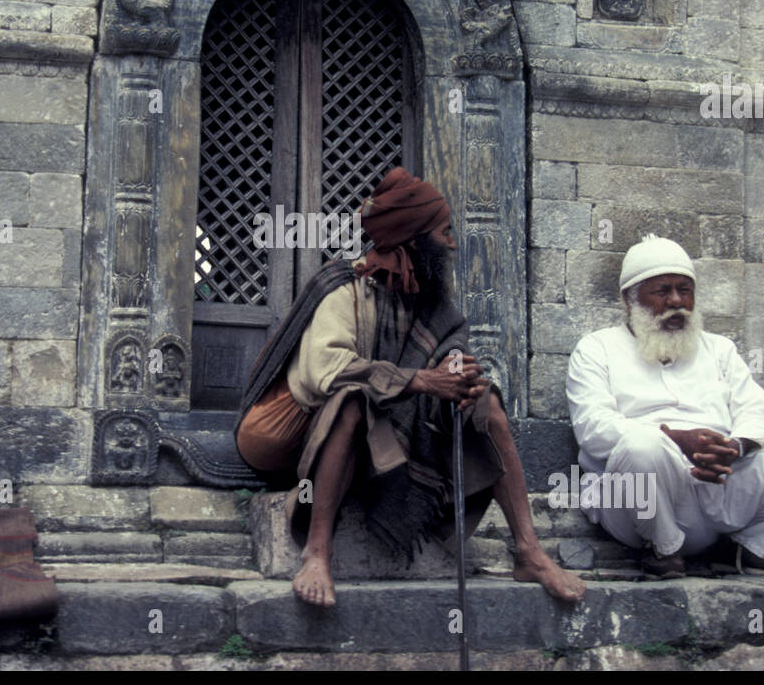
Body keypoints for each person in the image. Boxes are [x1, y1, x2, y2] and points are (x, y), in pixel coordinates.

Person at [236, 168, 585, 607]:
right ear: (414, 239)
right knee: (351, 402)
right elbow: (322, 373)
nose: (453, 244)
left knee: (489, 404)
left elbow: (447, 352)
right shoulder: (344, 289)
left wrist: (458, 376)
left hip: (403, 440)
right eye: (445, 233)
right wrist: (419, 379)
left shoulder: (436, 306)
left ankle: (530, 553)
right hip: (323, 444)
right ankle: (318, 552)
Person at [565, 234, 764, 579]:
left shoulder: (719, 349)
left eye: (685, 289)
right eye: (662, 291)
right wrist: (679, 439)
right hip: (638, 503)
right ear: (629, 298)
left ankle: (744, 548)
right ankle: (664, 551)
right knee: (641, 445)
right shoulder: (596, 349)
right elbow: (594, 431)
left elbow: (759, 413)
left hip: (718, 490)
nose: (676, 301)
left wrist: (733, 448)